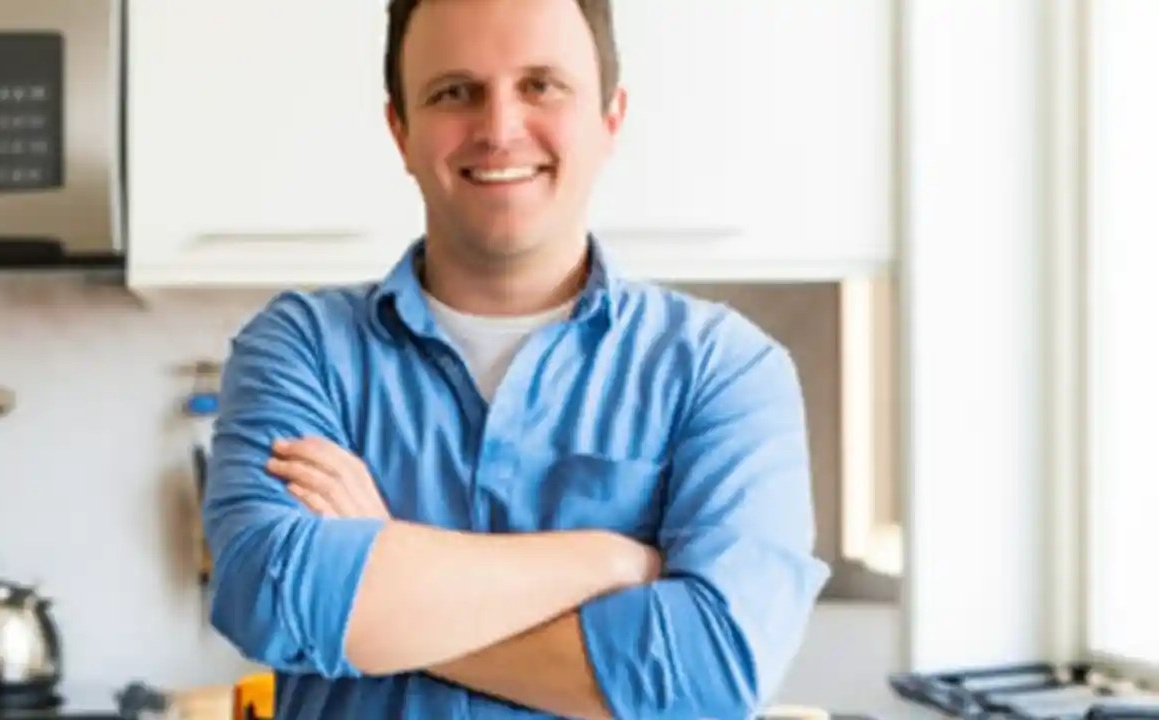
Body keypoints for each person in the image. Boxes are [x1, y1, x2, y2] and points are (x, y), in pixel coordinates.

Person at [202, 0, 830, 717]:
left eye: (541, 85)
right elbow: (270, 595)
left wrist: (380, 582)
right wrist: (607, 561)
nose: (499, 129)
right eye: (454, 92)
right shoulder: (302, 348)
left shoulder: (724, 370)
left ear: (610, 120)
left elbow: (706, 672)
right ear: (400, 130)